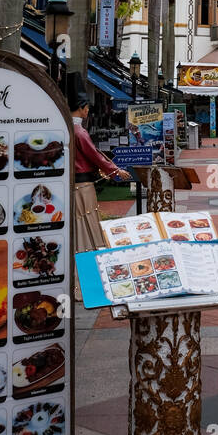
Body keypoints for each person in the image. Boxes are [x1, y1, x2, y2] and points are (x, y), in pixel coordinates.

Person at [71, 91, 131, 301]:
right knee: (86, 232)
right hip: (82, 186)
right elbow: (94, 155)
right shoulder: (79, 131)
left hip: (74, 185)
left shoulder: (68, 128)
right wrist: (115, 171)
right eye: (87, 108)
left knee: (80, 231)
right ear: (81, 107)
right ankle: (86, 286)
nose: (88, 111)